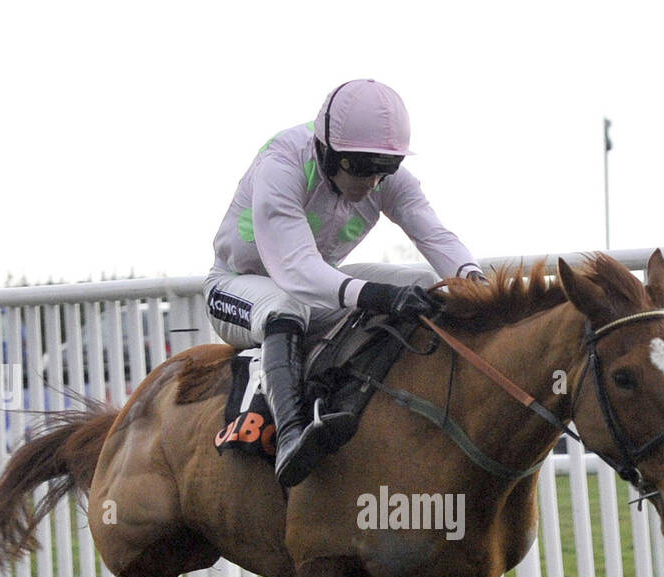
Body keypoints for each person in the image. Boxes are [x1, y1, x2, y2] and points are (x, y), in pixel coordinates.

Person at [206, 79, 486, 487]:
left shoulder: (383, 176)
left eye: (384, 168)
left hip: (310, 289)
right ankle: (290, 436)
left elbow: (435, 237)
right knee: (287, 306)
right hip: (236, 287)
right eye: (359, 167)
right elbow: (297, 270)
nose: (372, 181)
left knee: (425, 285)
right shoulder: (281, 164)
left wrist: (478, 285)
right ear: (324, 148)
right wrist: (378, 296)